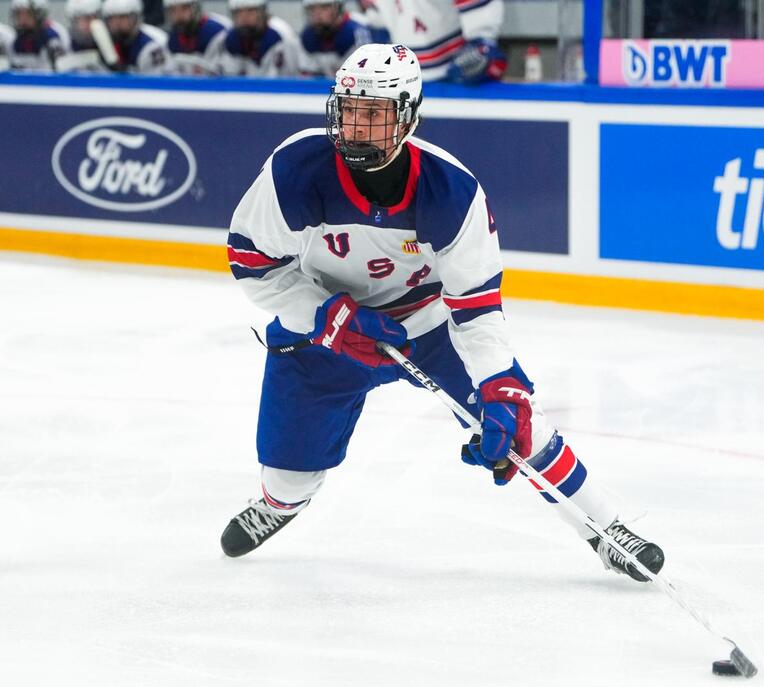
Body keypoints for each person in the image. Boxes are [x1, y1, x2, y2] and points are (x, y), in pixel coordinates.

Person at [219, 43, 666, 585]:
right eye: (350, 111)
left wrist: (501, 389)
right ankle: (281, 504)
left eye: (374, 114)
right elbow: (251, 261)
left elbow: (477, 311)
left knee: (519, 425)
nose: (357, 128)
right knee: (289, 479)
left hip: (425, 328)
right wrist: (326, 316)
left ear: (408, 115)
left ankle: (607, 527)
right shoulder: (298, 167)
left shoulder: (451, 192)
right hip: (324, 332)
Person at [361, 0, 506, 83]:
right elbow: (377, 19)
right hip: (402, 79)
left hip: (454, 79)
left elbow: (483, 47)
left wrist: (481, 42)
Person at [298, 0, 383, 78]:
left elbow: (364, 76)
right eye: (312, 9)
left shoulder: (356, 32)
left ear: (338, 9)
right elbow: (307, 76)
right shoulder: (307, 36)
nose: (317, 14)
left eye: (324, 8)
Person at [220, 0, 299, 77]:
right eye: (238, 12)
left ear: (263, 12)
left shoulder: (281, 34)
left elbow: (290, 77)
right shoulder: (227, 37)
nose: (244, 17)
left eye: (250, 11)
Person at [101, 0, 171, 73]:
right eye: (111, 19)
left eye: (123, 17)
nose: (117, 23)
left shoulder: (151, 47)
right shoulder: (108, 43)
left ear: (135, 18)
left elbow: (159, 82)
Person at [164, 0, 229, 75]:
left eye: (184, 9)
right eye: (173, 10)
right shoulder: (173, 39)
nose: (179, 15)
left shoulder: (216, 31)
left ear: (195, 8)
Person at [8, 0, 68, 70]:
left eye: (28, 13)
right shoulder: (15, 39)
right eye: (18, 14)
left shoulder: (52, 36)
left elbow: (61, 70)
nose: (22, 19)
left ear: (39, 14)